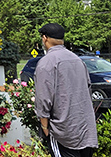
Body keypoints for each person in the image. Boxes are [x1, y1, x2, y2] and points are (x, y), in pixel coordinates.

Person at [34, 23, 98, 157]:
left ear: (45, 38)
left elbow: (43, 99)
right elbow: (87, 89)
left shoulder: (46, 63)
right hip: (85, 128)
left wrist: (45, 128)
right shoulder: (77, 60)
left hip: (63, 131)